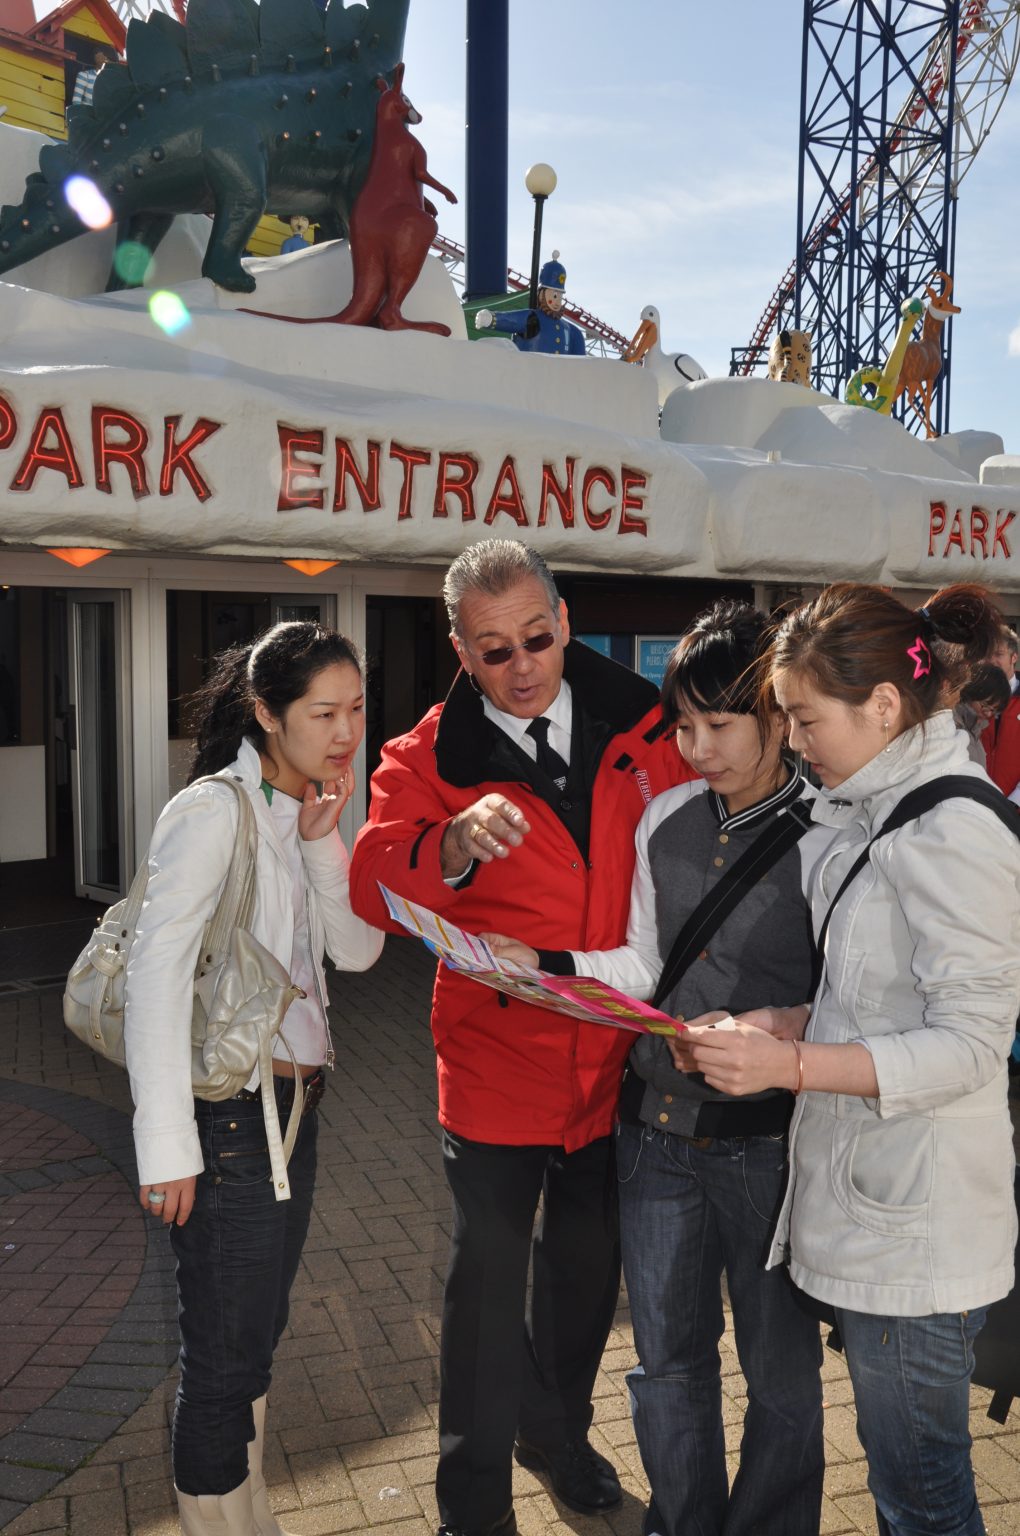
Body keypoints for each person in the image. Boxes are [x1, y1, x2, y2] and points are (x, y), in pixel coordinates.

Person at [348, 539, 689, 1536]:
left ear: (565, 620)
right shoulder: (426, 757)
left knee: (586, 1281)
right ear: (460, 650)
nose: (524, 664)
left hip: (611, 1060)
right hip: (495, 1066)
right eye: (494, 652)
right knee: (489, 1292)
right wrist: (450, 843)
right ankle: (472, 1503)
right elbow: (373, 877)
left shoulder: (648, 723)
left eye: (537, 637)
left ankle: (556, 1433)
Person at [486, 600, 831, 1536]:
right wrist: (547, 966)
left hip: (773, 1149)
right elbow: (642, 961)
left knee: (782, 1377)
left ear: (775, 708)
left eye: (719, 725)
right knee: (667, 1364)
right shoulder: (668, 818)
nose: (698, 746)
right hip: (656, 1140)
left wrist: (783, 1025)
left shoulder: (832, 829)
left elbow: (858, 996)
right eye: (684, 725)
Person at [684, 582, 1020, 1536]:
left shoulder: (949, 828)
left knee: (923, 1502)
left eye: (803, 717)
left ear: (882, 706)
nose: (791, 740)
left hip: (919, 1234)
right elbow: (884, 992)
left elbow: (969, 1044)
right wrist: (796, 1020)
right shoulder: (875, 809)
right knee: (908, 1488)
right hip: (883, 1212)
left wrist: (791, 1069)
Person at [123, 620, 384, 1536]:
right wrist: (167, 1150)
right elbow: (154, 979)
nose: (347, 729)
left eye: (356, 707)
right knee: (224, 1357)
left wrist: (323, 841)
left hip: (296, 1113)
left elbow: (355, 952)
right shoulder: (210, 812)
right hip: (232, 1121)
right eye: (324, 712)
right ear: (267, 713)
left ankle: (252, 1516)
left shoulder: (302, 809)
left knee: (254, 1339)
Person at [474, 252, 587, 355]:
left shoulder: (572, 331)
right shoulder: (532, 319)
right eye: (554, 296)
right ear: (541, 295)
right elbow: (512, 320)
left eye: (560, 296)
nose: (557, 301)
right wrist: (491, 319)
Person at [982, 625, 1020, 801]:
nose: (992, 660)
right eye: (988, 655)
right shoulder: (972, 699)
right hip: (976, 803)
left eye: (998, 654)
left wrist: (1015, 802)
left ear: (1014, 657)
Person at [954, 663, 1011, 766]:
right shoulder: (951, 725)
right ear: (971, 693)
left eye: (993, 710)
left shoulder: (976, 731)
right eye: (984, 705)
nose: (988, 714)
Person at [69, 46, 116, 111]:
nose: (106, 59)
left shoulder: (113, 80)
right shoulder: (85, 75)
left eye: (109, 58)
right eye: (104, 56)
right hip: (87, 115)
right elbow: (76, 100)